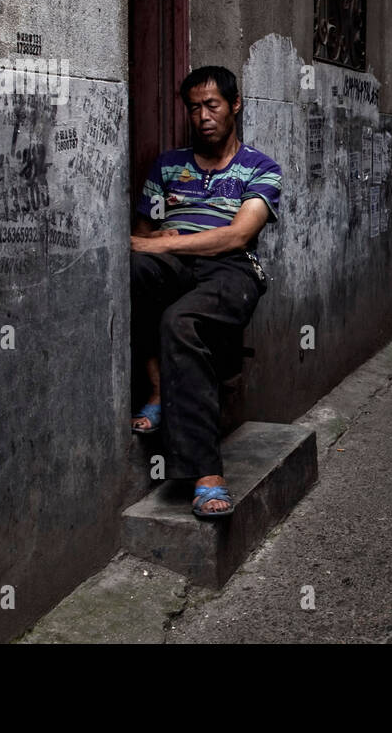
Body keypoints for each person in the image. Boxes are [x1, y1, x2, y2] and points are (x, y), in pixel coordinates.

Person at [129, 65, 281, 518]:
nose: (203, 116)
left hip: (231, 271)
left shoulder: (261, 168)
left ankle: (206, 474)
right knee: (132, 273)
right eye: (194, 108)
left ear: (234, 105)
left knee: (182, 321)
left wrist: (170, 239)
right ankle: (158, 390)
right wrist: (159, 244)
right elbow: (143, 234)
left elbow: (236, 236)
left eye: (212, 105)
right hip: (175, 265)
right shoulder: (167, 166)